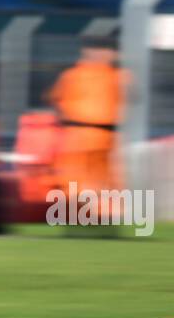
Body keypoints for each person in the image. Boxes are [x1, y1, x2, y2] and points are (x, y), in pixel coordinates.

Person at [49, 37, 124, 204]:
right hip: (82, 133)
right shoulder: (74, 76)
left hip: (98, 134)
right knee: (78, 175)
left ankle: (98, 212)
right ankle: (81, 211)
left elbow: (56, 101)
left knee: (101, 177)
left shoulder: (116, 76)